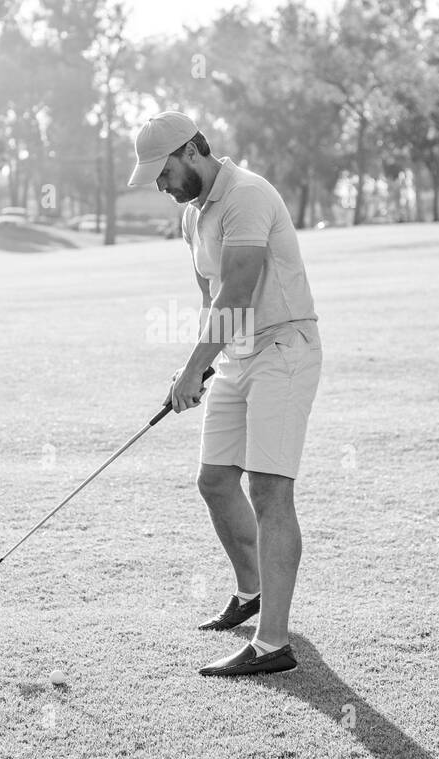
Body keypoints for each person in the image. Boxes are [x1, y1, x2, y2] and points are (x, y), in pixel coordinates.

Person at [127, 111, 323, 677]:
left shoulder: (248, 195)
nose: (160, 187)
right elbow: (211, 298)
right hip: (239, 355)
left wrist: (191, 371)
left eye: (162, 173)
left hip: (284, 349)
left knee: (268, 488)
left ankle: (273, 644)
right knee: (215, 478)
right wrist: (207, 364)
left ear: (192, 151)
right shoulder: (194, 216)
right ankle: (252, 590)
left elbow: (238, 289)